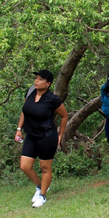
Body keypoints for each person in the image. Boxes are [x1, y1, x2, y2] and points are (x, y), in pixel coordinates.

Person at [16, 70, 68, 208]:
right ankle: (40, 186)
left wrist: (60, 135)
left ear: (48, 83)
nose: (36, 81)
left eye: (40, 79)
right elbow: (24, 111)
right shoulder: (30, 92)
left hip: (47, 136)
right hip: (31, 135)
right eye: (36, 78)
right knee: (25, 166)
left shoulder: (52, 99)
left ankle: (42, 196)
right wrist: (19, 129)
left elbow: (64, 115)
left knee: (45, 167)